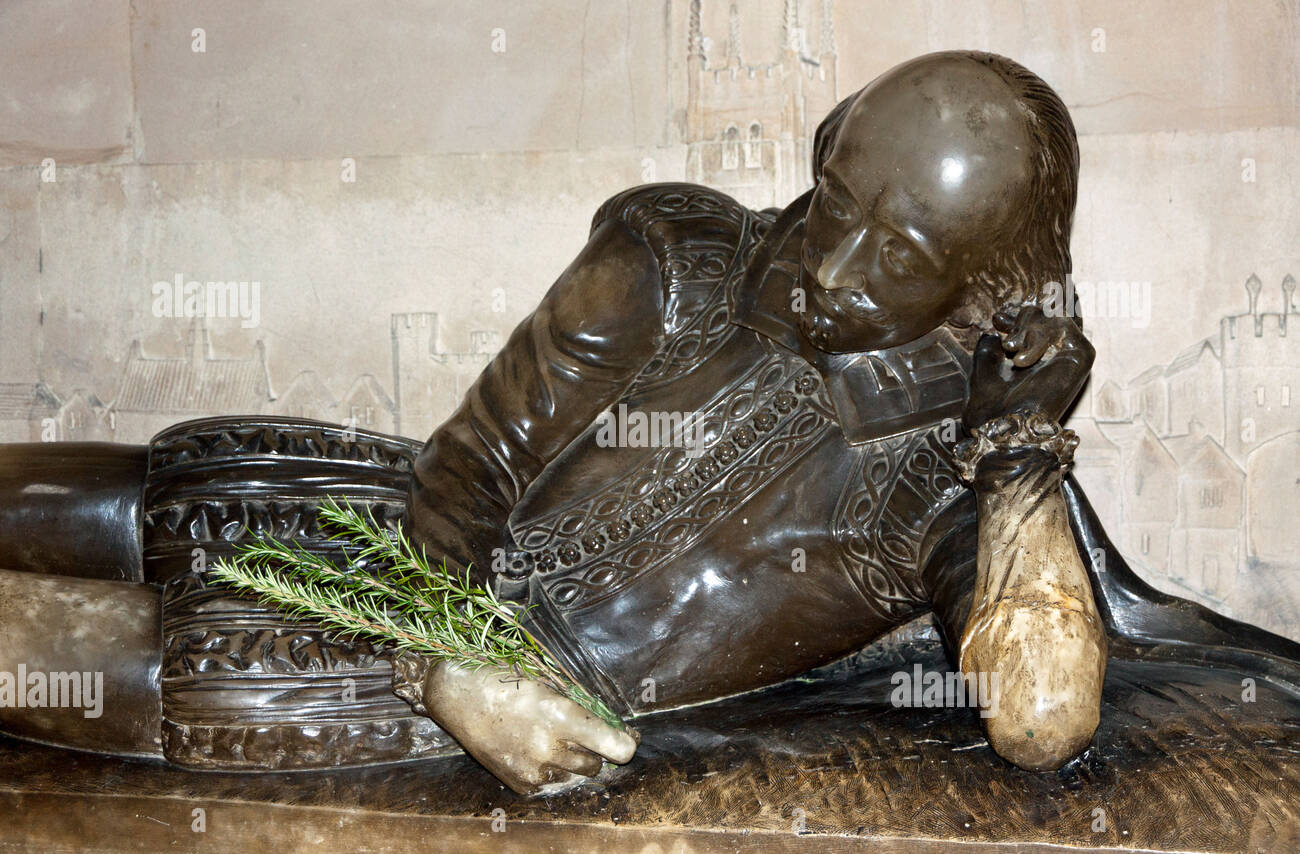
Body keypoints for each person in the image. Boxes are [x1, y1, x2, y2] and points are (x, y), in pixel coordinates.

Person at [1, 51, 1293, 795]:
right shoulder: (673, 261)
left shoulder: (939, 496)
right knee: (118, 497)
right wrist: (443, 660)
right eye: (836, 198)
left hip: (388, 679)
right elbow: (466, 472)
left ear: (981, 285)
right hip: (387, 540)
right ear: (824, 141)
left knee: (59, 658)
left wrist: (1017, 452)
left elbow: (1044, 718)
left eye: (898, 256)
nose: (832, 269)